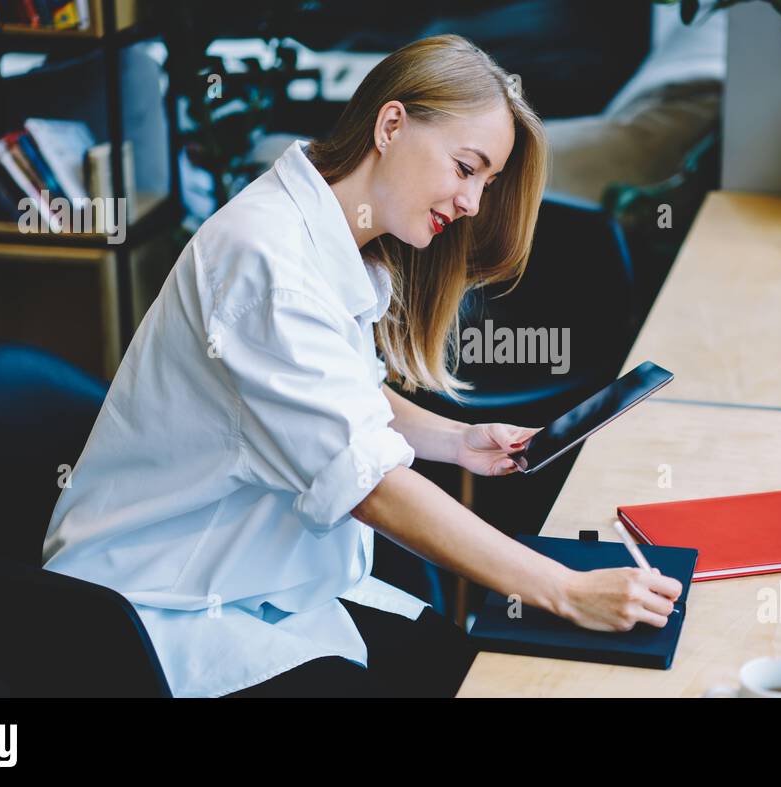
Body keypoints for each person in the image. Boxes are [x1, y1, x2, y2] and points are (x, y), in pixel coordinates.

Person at [41, 34, 682, 698]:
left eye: (486, 183)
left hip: (248, 581)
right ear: (392, 124)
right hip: (147, 609)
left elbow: (341, 393)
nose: (473, 204)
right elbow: (370, 486)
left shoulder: (329, 230)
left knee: (446, 656)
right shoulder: (269, 267)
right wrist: (568, 590)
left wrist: (455, 439)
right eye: (466, 168)